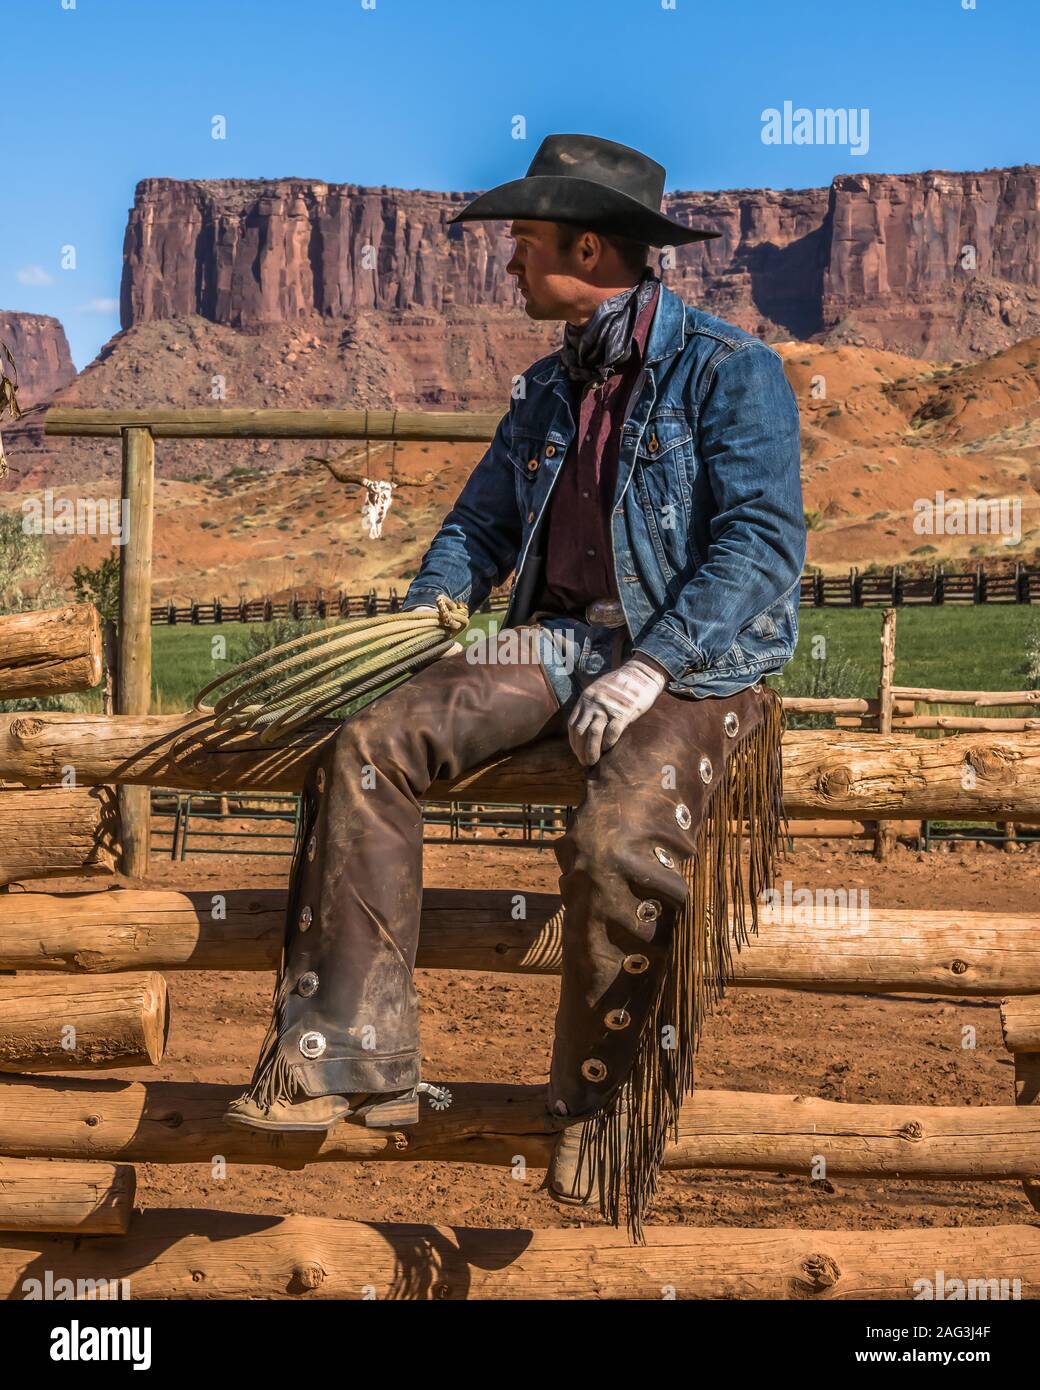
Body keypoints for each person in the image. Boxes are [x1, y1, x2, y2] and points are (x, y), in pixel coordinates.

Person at [226, 134, 806, 1240]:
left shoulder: (731, 370)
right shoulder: (546, 386)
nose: (506, 266)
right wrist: (426, 620)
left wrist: (652, 662)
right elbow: (480, 525)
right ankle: (344, 1055)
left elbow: (760, 544)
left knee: (616, 843)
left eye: (522, 245)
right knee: (369, 745)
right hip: (556, 643)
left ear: (586, 246)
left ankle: (595, 1104)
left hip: (696, 660)